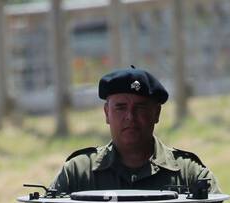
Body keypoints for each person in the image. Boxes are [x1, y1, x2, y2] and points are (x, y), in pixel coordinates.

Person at [51, 67, 219, 196]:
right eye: (121, 108)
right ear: (106, 113)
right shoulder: (78, 173)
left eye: (140, 108)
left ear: (156, 114)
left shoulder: (189, 174)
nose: (130, 117)